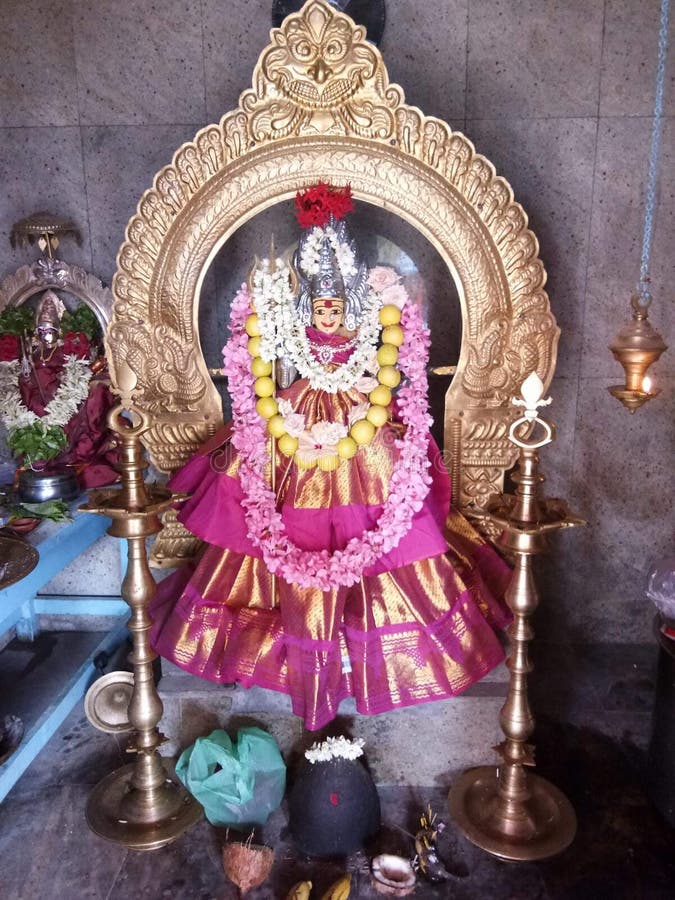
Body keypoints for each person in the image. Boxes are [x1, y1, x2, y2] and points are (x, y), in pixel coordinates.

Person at [149, 184, 511, 731]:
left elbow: (393, 356)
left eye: (336, 305)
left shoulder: (369, 330)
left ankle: (364, 650)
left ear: (351, 308)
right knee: (265, 509)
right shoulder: (292, 326)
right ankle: (278, 651)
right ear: (306, 305)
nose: (326, 311)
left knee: (389, 519)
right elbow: (262, 347)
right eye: (319, 304)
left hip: (362, 422)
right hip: (294, 421)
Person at [0, 291, 119, 487]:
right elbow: (23, 374)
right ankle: (37, 456)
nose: (45, 335)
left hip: (63, 395)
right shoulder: (32, 351)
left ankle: (66, 456)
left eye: (49, 331)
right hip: (33, 398)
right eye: (41, 330)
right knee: (27, 399)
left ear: (58, 330)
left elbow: (79, 371)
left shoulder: (65, 349)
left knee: (87, 397)